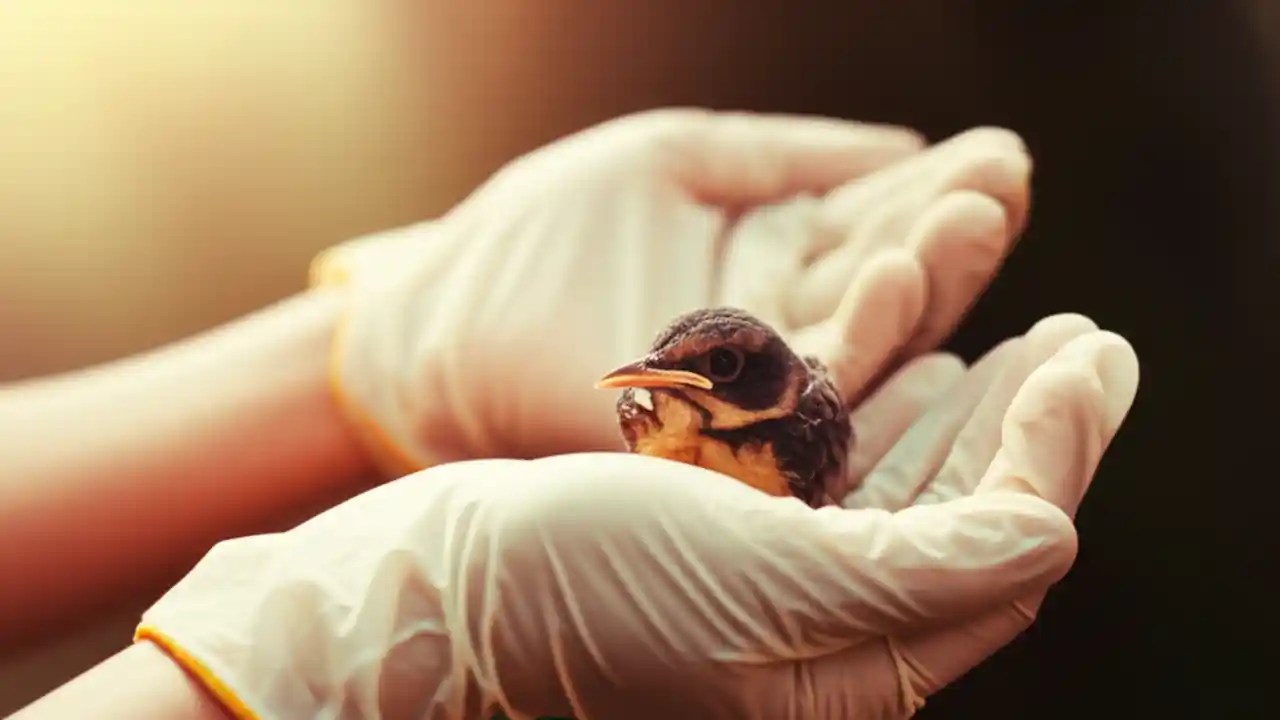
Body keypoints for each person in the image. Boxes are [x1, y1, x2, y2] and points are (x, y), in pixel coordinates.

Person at [3, 109, 1138, 719]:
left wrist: (361, 356)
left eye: (705, 371)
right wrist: (331, 651)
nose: (658, 392)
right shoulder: (654, 418)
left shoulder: (794, 424)